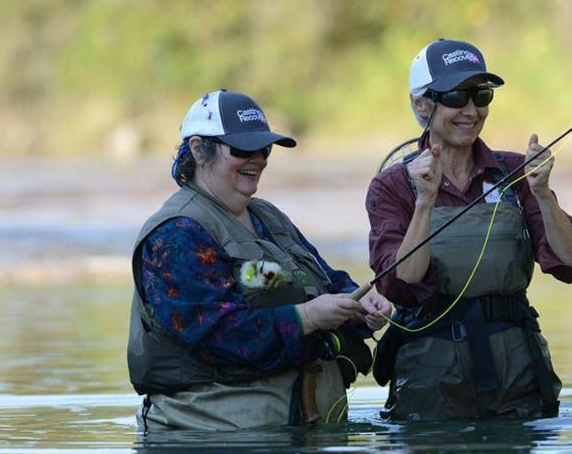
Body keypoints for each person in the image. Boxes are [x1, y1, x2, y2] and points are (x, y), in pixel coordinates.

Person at [128, 90, 392, 431]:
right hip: (217, 446)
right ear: (198, 149)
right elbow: (216, 335)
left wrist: (360, 306)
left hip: (302, 432)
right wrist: (310, 316)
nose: (258, 159)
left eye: (264, 148)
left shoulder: (267, 217)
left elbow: (315, 282)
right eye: (242, 149)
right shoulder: (176, 234)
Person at [366, 39, 572, 421]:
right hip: (431, 376)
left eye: (481, 95)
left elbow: (571, 265)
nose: (471, 110)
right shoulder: (391, 186)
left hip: (518, 369)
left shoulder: (516, 171)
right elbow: (400, 285)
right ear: (421, 104)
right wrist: (424, 200)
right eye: (456, 97)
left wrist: (542, 195)